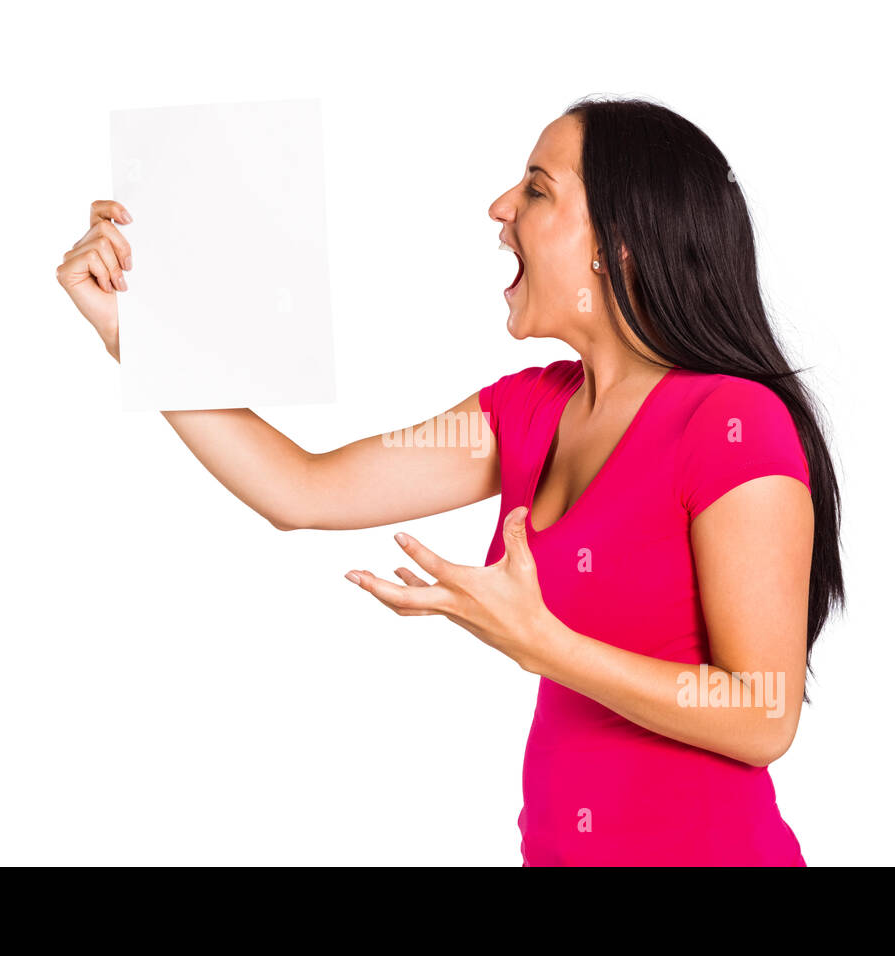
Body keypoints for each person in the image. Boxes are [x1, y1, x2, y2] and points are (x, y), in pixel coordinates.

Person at [55, 94, 845, 866]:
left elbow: (762, 713)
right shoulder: (527, 412)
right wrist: (138, 336)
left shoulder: (730, 423)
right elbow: (301, 489)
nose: (501, 206)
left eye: (537, 189)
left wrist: (547, 646)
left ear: (620, 242)